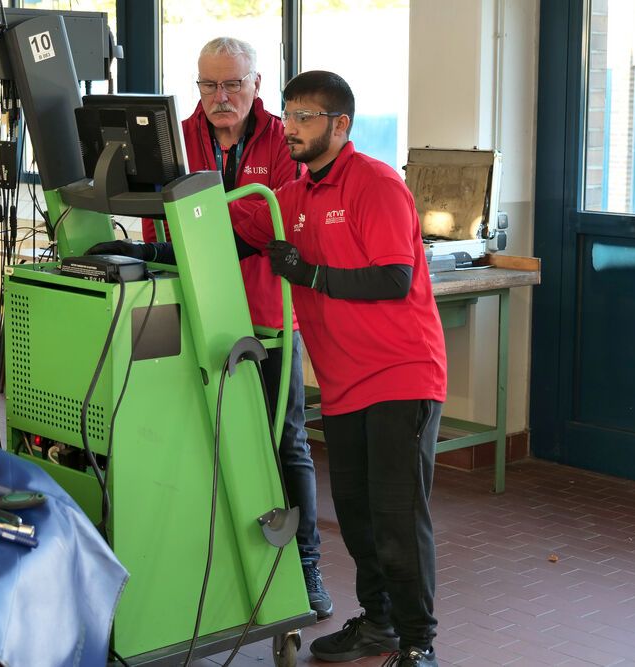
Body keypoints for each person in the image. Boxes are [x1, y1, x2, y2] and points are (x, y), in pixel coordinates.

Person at [87, 37, 332, 620]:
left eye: (232, 84)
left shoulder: (283, 138)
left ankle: (307, 569)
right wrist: (213, 214)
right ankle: (213, 561)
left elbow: (270, 220)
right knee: (189, 437)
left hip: (266, 320)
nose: (220, 98)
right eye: (208, 85)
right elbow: (158, 207)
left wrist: (197, 211)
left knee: (286, 443)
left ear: (256, 83)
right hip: (186, 312)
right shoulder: (174, 134)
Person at [228, 70, 446, 667]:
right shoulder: (292, 198)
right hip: (344, 385)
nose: (290, 128)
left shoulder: (375, 184)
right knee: (354, 516)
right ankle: (378, 623)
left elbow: (394, 277)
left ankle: (419, 641)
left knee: (397, 516)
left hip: (402, 376)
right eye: (288, 115)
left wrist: (310, 275)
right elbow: (234, 225)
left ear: (339, 124)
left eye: (304, 117)